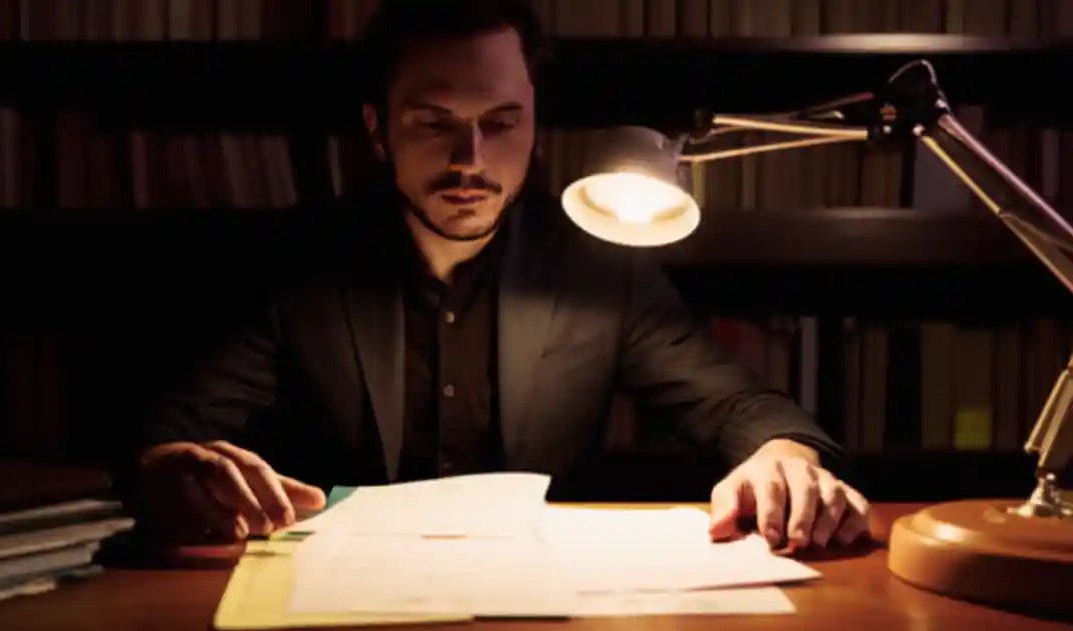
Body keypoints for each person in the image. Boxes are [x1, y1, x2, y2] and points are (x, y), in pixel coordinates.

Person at [133, 0, 870, 553]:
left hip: (539, 607)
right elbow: (176, 432)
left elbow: (736, 403)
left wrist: (783, 457)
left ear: (535, 122)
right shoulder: (306, 264)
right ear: (377, 128)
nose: (471, 159)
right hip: (340, 614)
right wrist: (171, 468)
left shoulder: (595, 265)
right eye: (433, 122)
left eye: (501, 122)